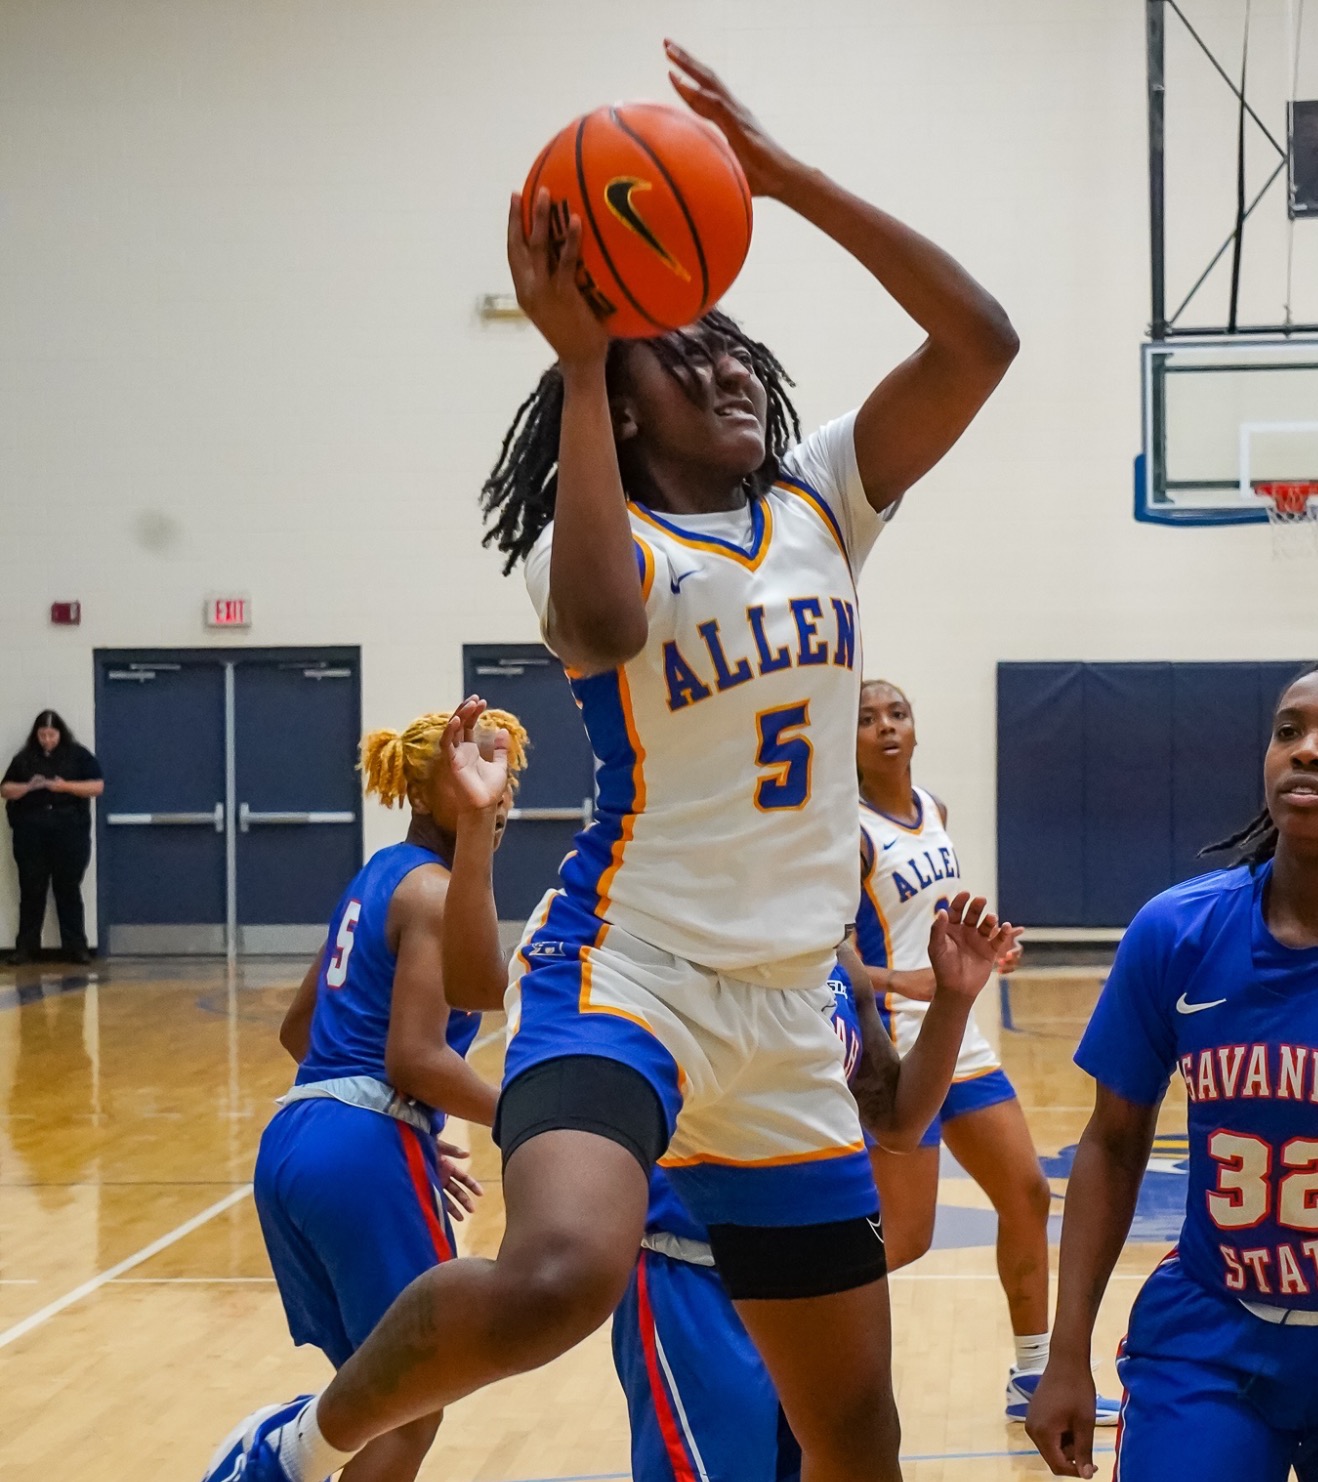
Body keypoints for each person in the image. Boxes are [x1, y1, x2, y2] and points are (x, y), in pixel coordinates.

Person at [202, 38, 1016, 1482]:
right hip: (622, 969)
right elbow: (594, 620)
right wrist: (579, 362)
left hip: (785, 1012)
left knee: (855, 1437)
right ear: (625, 406)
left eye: (728, 340)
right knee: (561, 1273)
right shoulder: (600, 534)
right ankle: (301, 1449)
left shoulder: (824, 493)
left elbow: (980, 342)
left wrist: (785, 178)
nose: (724, 364)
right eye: (678, 352)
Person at [1025, 663, 1318, 1481]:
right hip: (1211, 1337)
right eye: (1288, 731)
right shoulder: (1178, 932)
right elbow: (1115, 1146)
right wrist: (1067, 1353)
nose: (1305, 751)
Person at [242, 699, 528, 1482]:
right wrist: (530, 1116)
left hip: (298, 1137)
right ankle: (267, 1454)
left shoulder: (377, 876)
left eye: (507, 770)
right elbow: (415, 1059)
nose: (501, 790)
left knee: (375, 1396)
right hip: (355, 1150)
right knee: (412, 1400)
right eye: (480, 767)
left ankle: (279, 1455)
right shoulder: (436, 891)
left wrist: (395, 1123)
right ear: (430, 789)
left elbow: (301, 1032)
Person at [614, 930, 1013, 1482]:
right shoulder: (676, 937)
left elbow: (896, 1120)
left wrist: (954, 997)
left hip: (814, 1284)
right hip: (696, 1273)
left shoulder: (837, 959)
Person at [852, 679, 1121, 1423]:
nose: (885, 728)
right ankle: (783, 1339)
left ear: (916, 725)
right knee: (904, 1236)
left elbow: (928, 924)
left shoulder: (933, 808)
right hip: (896, 1048)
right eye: (867, 719)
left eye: (897, 713)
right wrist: (897, 977)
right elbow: (824, 951)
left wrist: (981, 950)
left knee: (1028, 1193)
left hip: (955, 1031)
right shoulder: (847, 831)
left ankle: (1033, 1373)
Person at [1, 710, 104, 965]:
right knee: (31, 890)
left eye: (51, 734)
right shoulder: (24, 759)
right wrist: (29, 787)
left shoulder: (78, 755)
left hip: (69, 832)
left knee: (68, 889)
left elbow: (97, 786)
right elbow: (5, 789)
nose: (47, 740)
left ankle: (76, 947)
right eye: (42, 735)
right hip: (31, 834)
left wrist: (64, 786)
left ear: (61, 733)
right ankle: (26, 947)